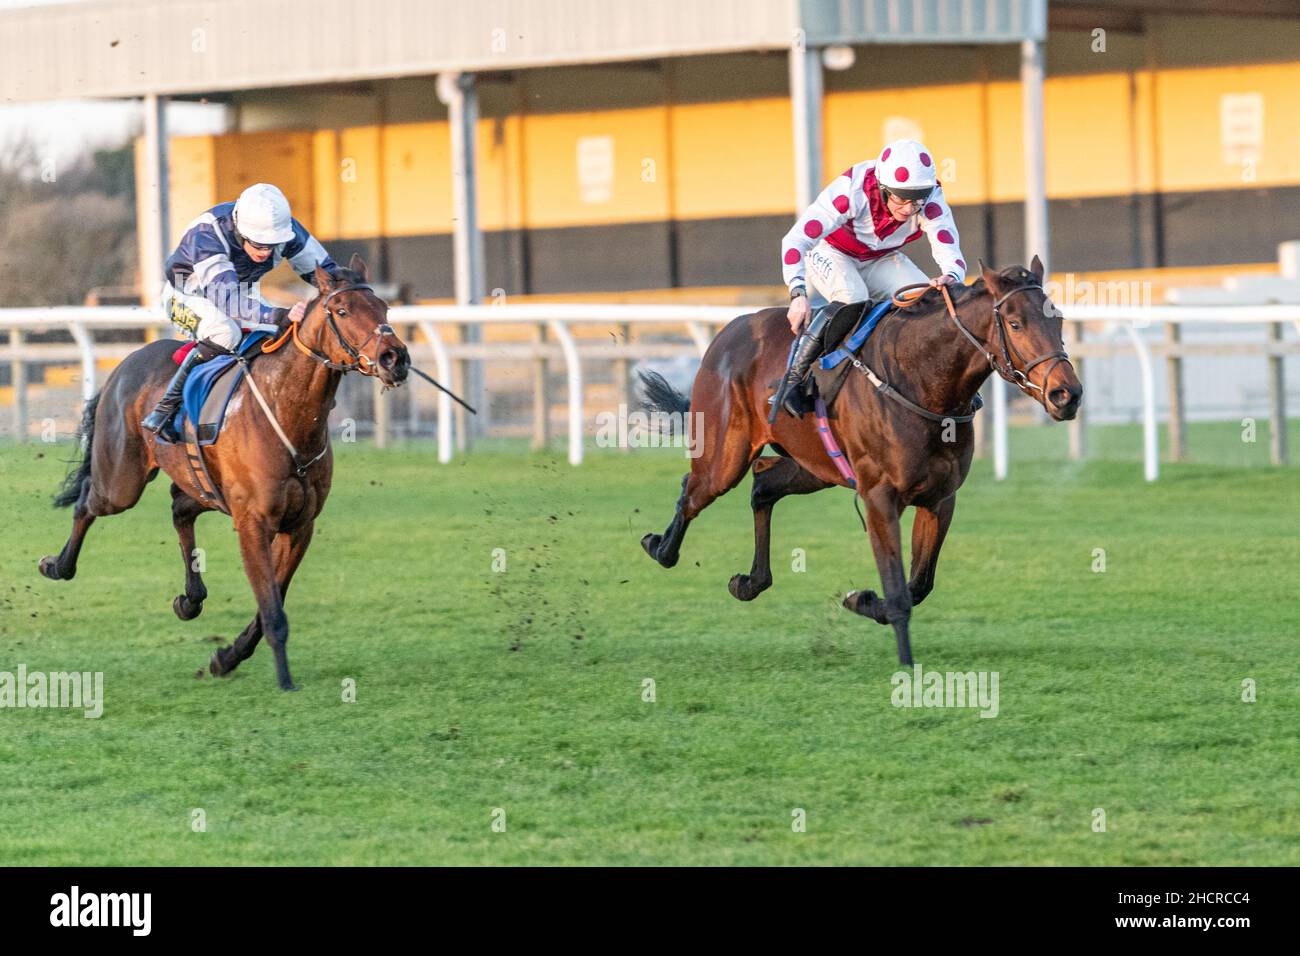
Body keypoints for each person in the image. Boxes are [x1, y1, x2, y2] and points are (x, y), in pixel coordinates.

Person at [772, 138, 968, 418]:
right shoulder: (851, 190)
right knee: (854, 298)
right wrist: (797, 293)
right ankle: (793, 379)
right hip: (829, 251)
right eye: (900, 199)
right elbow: (795, 240)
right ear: (882, 187)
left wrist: (951, 275)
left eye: (917, 200)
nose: (909, 210)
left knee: (929, 300)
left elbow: (948, 247)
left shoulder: (931, 197)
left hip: (880, 257)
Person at [141, 183, 342, 440]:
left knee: (286, 333)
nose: (266, 252)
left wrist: (351, 294)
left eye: (272, 245)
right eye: (258, 245)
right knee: (226, 333)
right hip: (189, 294)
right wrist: (278, 315)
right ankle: (166, 408)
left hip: (241, 290)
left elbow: (328, 274)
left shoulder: (286, 228)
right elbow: (227, 300)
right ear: (239, 230)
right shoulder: (208, 234)